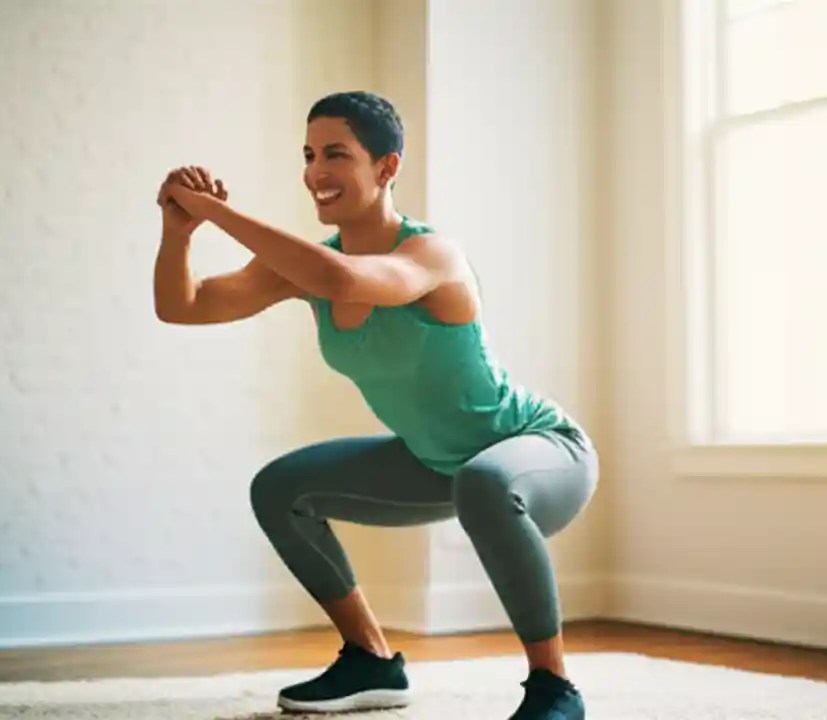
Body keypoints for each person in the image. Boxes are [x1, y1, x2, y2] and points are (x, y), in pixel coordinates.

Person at [152, 91, 597, 720]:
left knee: (484, 480)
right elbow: (184, 306)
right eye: (308, 155)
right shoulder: (303, 266)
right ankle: (371, 660)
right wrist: (179, 232)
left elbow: (346, 282)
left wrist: (220, 213)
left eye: (336, 153)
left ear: (387, 167)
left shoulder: (432, 255)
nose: (315, 171)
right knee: (280, 488)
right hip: (435, 463)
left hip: (537, 449)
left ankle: (555, 688)